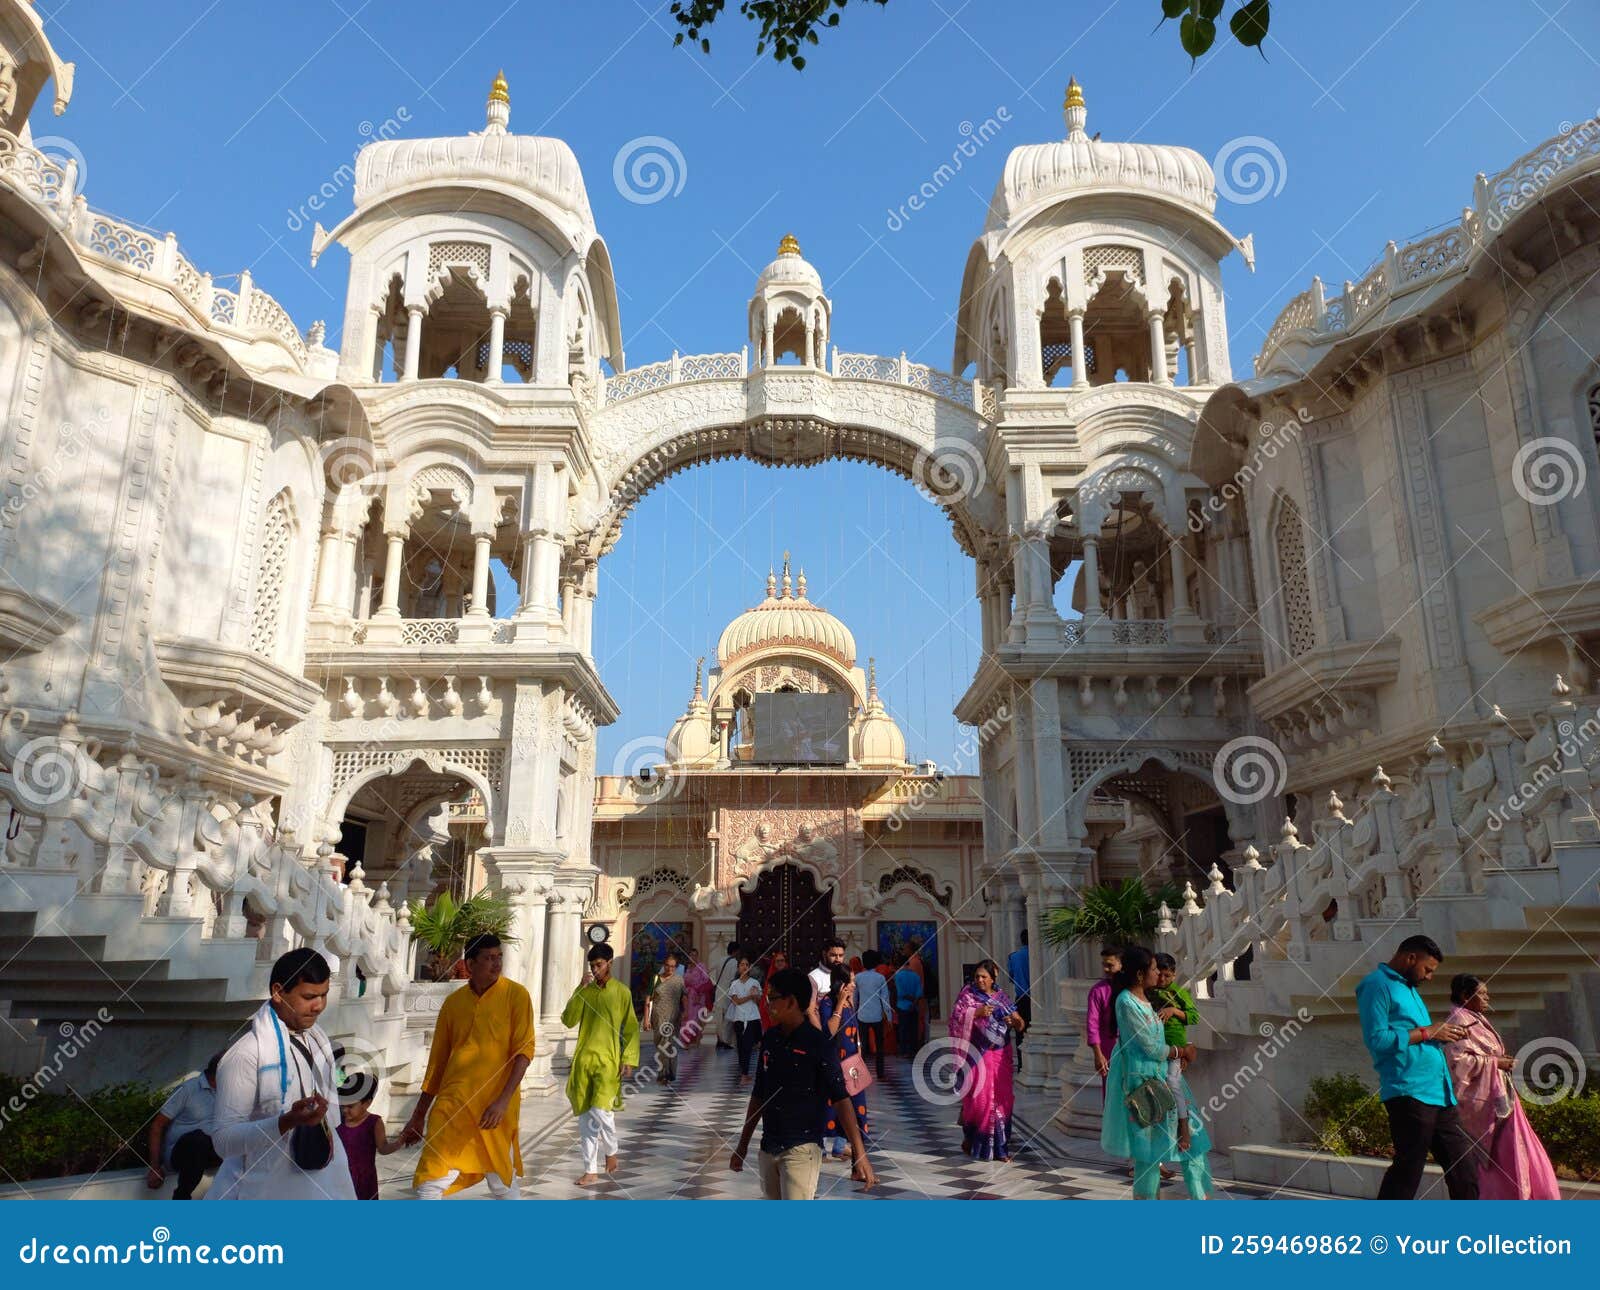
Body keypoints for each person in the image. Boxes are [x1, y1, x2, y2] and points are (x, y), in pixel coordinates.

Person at [209, 948, 355, 1200]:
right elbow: (223, 1142)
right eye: (309, 996)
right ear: (278, 992)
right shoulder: (246, 1054)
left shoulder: (317, 1041)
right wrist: (287, 1121)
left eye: (324, 995)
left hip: (323, 1185)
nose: (318, 1006)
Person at [403, 933, 535, 1199]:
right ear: (470, 964)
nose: (496, 964)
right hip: (452, 1105)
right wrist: (419, 1115)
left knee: (501, 1182)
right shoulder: (454, 1003)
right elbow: (437, 1063)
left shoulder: (516, 996)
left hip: (493, 1108)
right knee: (430, 1180)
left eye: (499, 957)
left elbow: (524, 1051)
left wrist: (502, 1101)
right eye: (488, 958)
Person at [729, 968, 878, 1199]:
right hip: (769, 1146)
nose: (767, 1004)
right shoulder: (770, 1039)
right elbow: (759, 1094)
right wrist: (742, 1145)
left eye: (773, 998)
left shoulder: (818, 1043)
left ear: (791, 1002)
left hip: (802, 1148)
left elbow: (841, 1099)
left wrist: (860, 1154)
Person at [1355, 935, 1478, 1200]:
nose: (1430, 977)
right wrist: (1429, 1032)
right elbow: (1377, 1039)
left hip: (1440, 1093)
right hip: (1408, 1093)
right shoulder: (1376, 985)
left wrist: (1440, 1034)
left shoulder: (1409, 988)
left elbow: (1421, 1035)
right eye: (1428, 969)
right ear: (1410, 958)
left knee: (1465, 1172)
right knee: (1407, 1172)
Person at [1099, 946, 1212, 1200]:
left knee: (1194, 1142)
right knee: (1149, 1156)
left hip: (1163, 1077)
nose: (1157, 973)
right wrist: (1181, 1051)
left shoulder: (1148, 1000)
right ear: (1140, 974)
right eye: (1152, 969)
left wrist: (1178, 1053)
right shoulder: (1127, 1002)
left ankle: (1201, 1199)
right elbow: (1150, 1047)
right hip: (1144, 1087)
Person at [1443, 974, 1559, 1199]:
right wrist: (1496, 1063)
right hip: (1489, 1107)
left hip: (1501, 1097)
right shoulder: (1459, 1021)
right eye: (1482, 994)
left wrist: (1497, 1061)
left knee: (1519, 1151)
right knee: (1504, 1157)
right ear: (1466, 996)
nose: (1488, 998)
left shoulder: (1473, 1019)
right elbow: (1457, 1064)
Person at [563, 942, 641, 1187]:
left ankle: (611, 1150)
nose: (595, 969)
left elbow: (630, 1028)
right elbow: (568, 1020)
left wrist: (628, 1059)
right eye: (592, 965)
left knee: (601, 1112)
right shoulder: (584, 992)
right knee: (586, 1119)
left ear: (610, 963)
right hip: (584, 1061)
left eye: (599, 964)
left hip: (608, 1061)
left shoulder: (621, 992)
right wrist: (579, 990)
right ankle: (590, 1170)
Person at [949, 960, 1024, 1161]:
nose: (980, 980)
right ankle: (973, 1139)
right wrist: (976, 1012)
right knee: (978, 1102)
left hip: (1000, 1055)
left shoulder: (1002, 998)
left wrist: (1014, 1021)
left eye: (984, 977)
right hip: (976, 1054)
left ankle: (1001, 1149)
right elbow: (956, 1018)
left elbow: (1020, 1023)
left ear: (994, 977)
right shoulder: (968, 995)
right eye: (977, 977)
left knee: (1003, 1101)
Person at [146, 1052, 222, 1199]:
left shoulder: (229, 1092)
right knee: (198, 1139)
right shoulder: (188, 1089)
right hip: (181, 1153)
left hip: (211, 1151)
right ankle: (181, 1197)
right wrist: (155, 1167)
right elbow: (157, 1125)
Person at [1150, 952, 1200, 1153]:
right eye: (1159, 974)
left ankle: (1184, 1126)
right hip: (1157, 1046)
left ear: (1174, 974)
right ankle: (1161, 1136)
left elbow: (1194, 1017)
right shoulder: (1150, 991)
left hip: (1175, 1046)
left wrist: (1173, 1011)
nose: (1162, 979)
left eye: (1167, 976)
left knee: (1173, 1083)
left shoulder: (1178, 992)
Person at [819, 967, 870, 1159]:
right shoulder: (828, 1002)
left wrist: (859, 1053)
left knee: (856, 1105)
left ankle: (842, 1145)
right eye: (851, 981)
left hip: (852, 1063)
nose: (854, 985)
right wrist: (839, 1004)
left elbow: (854, 1032)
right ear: (841, 984)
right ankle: (821, 1146)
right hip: (835, 1062)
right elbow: (829, 1032)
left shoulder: (851, 1002)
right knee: (830, 1105)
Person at [336, 1079, 405, 1200]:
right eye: (342, 1106)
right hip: (340, 1177)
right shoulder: (338, 1122)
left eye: (350, 1106)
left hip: (364, 1180)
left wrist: (400, 1141)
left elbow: (383, 1148)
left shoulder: (374, 1122)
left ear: (367, 1103)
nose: (345, 1110)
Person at [644, 950, 686, 1085]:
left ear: (676, 967)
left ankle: (666, 1074)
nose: (670, 968)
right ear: (664, 965)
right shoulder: (656, 978)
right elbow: (648, 1000)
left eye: (673, 966)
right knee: (660, 1045)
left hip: (673, 1018)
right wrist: (646, 1019)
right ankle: (665, 1072)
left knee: (669, 1044)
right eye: (668, 965)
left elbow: (684, 997)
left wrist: (686, 1012)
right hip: (658, 1017)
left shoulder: (679, 980)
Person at [1086, 945, 1121, 1093]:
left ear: (1122, 964)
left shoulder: (1133, 988)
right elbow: (1092, 1024)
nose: (1106, 969)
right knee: (1112, 1092)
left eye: (1110, 965)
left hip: (1132, 1048)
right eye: (1104, 965)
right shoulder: (1098, 991)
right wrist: (1098, 1054)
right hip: (1109, 1048)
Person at [853, 949, 892, 1078]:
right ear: (876, 963)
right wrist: (889, 1018)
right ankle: (880, 1073)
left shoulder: (858, 977)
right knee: (879, 1046)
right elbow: (885, 999)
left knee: (862, 1046)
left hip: (862, 1015)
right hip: (877, 1016)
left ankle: (862, 1073)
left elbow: (855, 998)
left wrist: (853, 1013)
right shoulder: (880, 978)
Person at [726, 955, 764, 1084]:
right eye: (742, 964)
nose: (744, 967)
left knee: (748, 1046)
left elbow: (758, 1000)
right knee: (741, 1047)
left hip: (752, 1018)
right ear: (738, 967)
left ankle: (745, 1074)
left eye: (747, 964)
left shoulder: (755, 982)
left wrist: (755, 995)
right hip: (739, 1019)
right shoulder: (734, 984)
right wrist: (749, 996)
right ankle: (744, 1072)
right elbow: (736, 1001)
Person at [808, 938, 847, 1026]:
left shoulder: (846, 975)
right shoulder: (814, 977)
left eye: (841, 955)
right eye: (833, 955)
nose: (838, 959)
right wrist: (820, 1036)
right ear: (824, 954)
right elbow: (810, 1012)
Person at [892, 950, 924, 1057]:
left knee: (903, 1029)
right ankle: (913, 1050)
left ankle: (904, 1051)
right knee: (913, 1029)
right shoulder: (915, 976)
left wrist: (909, 1000)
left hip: (902, 1005)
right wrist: (914, 1002)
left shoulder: (898, 975)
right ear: (908, 963)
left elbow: (900, 992)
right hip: (914, 1007)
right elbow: (919, 992)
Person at [680, 947, 715, 1046]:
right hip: (688, 997)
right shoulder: (687, 969)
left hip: (698, 997)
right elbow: (684, 983)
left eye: (695, 955)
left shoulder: (701, 966)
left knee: (695, 1018)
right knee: (688, 1017)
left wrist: (698, 990)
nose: (693, 957)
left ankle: (692, 1040)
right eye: (691, 955)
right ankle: (689, 1040)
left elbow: (706, 980)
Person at [1007, 933, 1031, 1072]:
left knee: (1020, 1031)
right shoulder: (1036, 956)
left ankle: (1022, 1063)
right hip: (1036, 999)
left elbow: (1011, 977)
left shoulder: (1013, 957)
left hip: (1021, 998)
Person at [713, 940, 743, 1049]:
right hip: (728, 994)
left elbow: (716, 977)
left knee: (719, 1018)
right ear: (736, 951)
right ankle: (726, 1041)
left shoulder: (720, 960)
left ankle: (720, 1040)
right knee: (727, 1019)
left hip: (719, 993)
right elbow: (733, 980)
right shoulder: (735, 963)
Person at [759, 951, 789, 1030]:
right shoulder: (771, 978)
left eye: (782, 960)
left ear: (785, 962)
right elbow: (767, 997)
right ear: (774, 963)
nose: (780, 963)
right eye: (777, 961)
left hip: (788, 1011)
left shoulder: (790, 976)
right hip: (775, 1012)